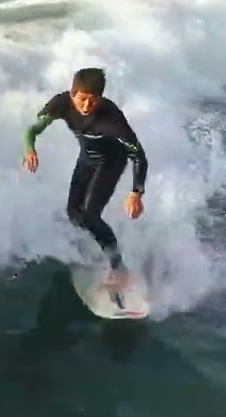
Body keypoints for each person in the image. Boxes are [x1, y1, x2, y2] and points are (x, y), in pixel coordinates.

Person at [22, 67, 147, 287]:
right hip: (87, 159)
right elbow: (32, 130)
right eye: (82, 99)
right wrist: (30, 149)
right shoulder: (61, 104)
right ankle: (99, 243)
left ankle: (119, 269)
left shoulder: (112, 117)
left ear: (101, 98)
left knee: (90, 216)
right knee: (73, 214)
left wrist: (136, 193)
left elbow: (138, 155)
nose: (87, 106)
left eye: (93, 100)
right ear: (72, 94)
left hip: (112, 162)